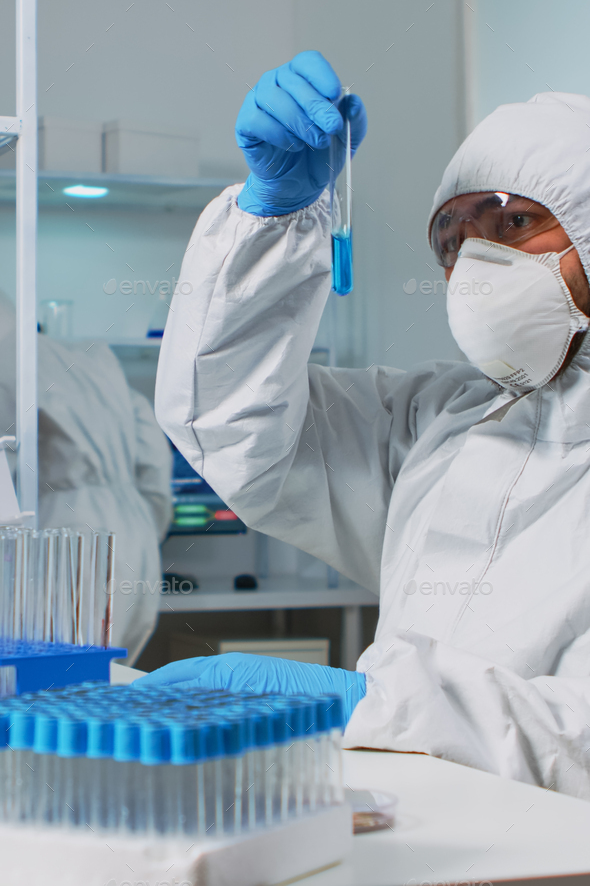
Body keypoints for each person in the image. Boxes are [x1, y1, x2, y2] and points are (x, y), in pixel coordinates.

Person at [138, 51, 590, 800]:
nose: (476, 259)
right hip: (425, 843)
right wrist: (272, 220)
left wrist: (367, 705)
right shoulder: (443, 425)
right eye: (453, 237)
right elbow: (234, 426)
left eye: (513, 221)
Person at [0, 289, 172, 661]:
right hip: (133, 530)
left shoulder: (6, 362)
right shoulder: (89, 357)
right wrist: (143, 530)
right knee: (105, 682)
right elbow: (154, 459)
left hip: (68, 533)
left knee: (59, 687)